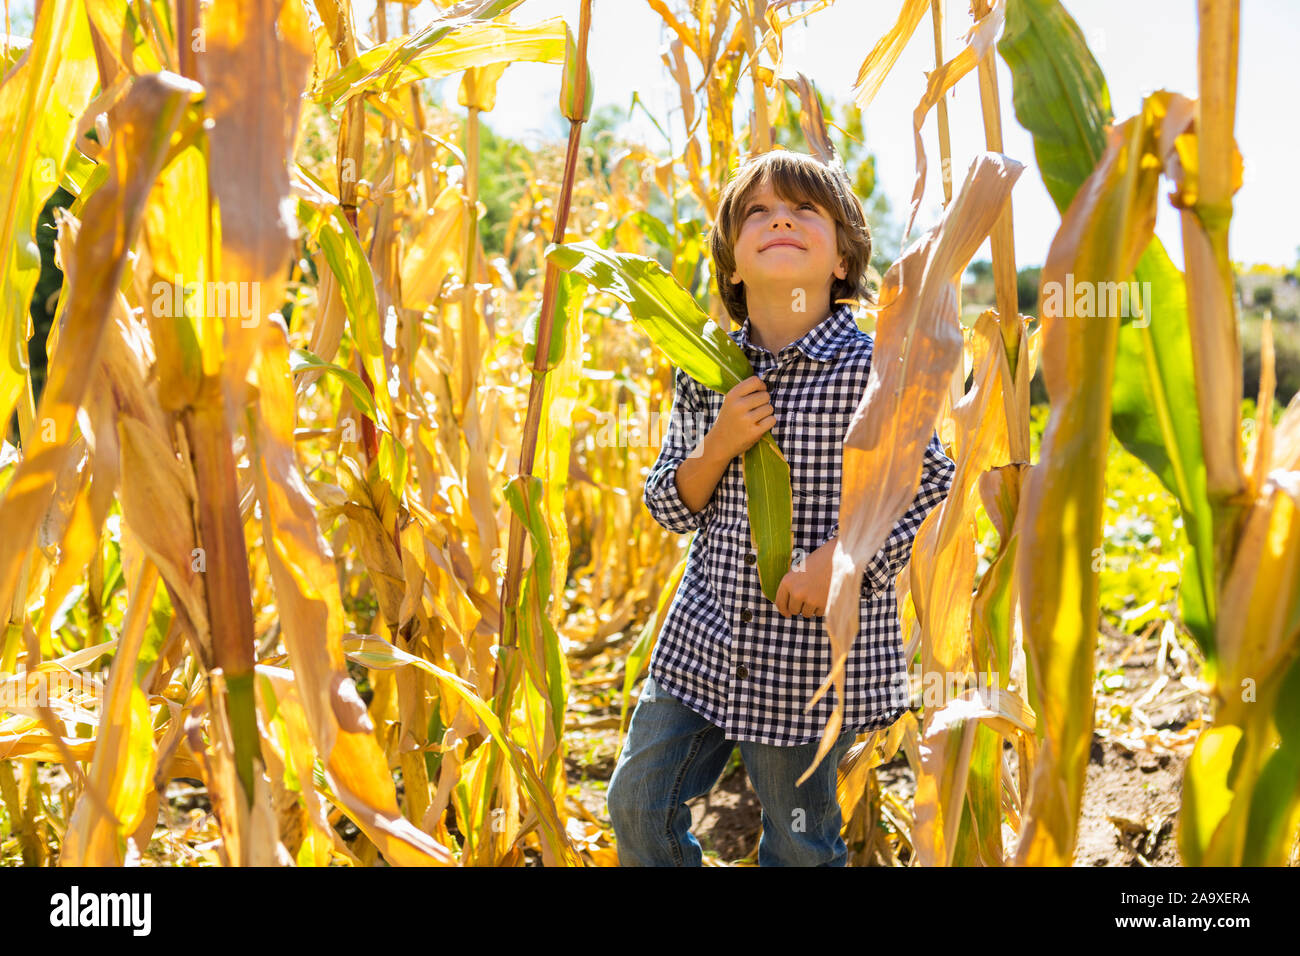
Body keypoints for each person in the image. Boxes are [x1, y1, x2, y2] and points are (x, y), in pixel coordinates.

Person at [606, 150, 956, 866]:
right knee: (638, 805)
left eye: (804, 211)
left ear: (841, 259)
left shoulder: (872, 371)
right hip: (701, 642)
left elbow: (930, 486)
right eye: (758, 213)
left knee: (799, 843)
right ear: (733, 265)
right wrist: (718, 444)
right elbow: (671, 503)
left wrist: (838, 563)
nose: (780, 220)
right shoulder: (706, 370)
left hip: (802, 663)